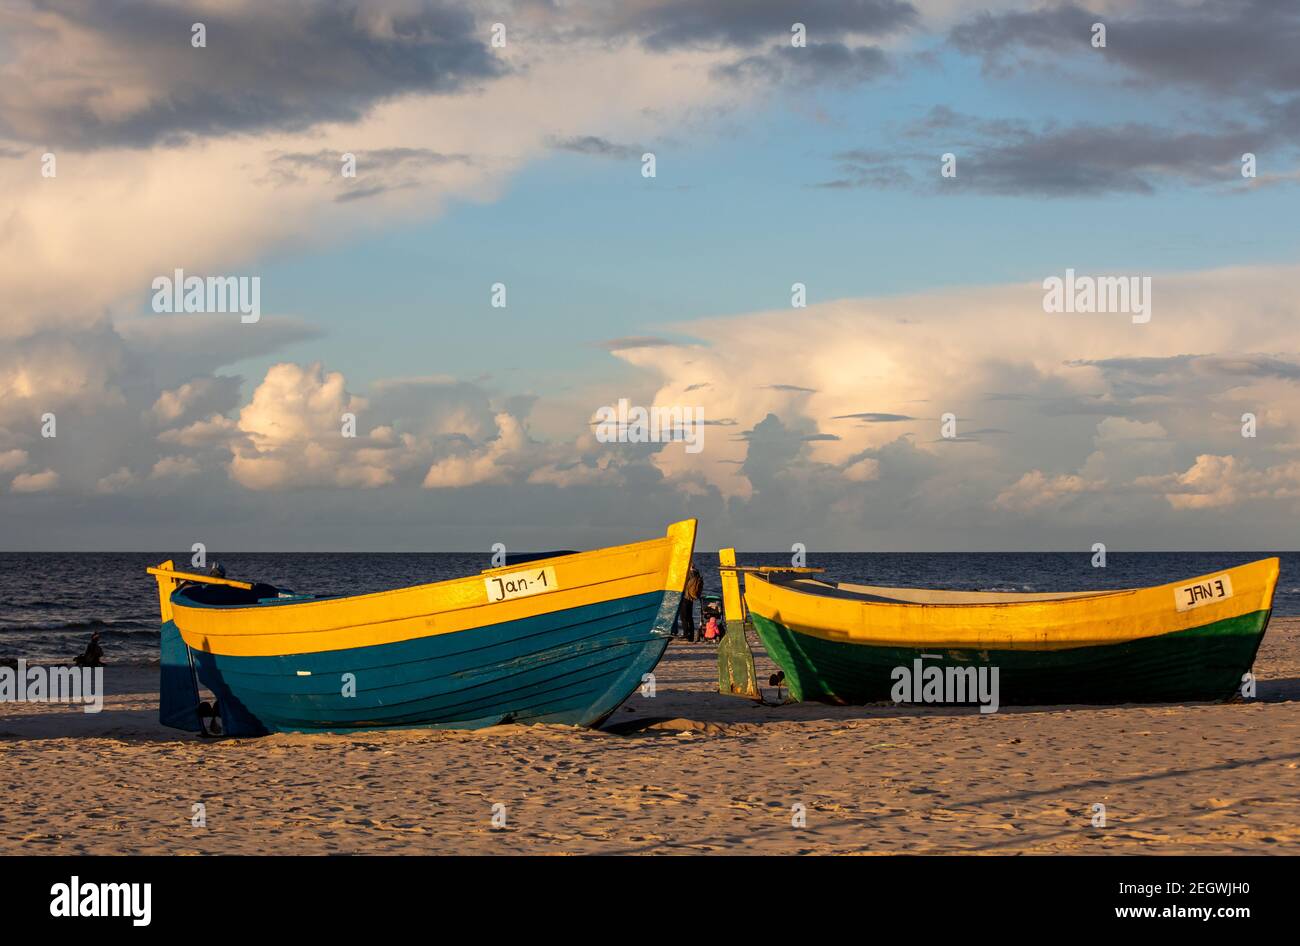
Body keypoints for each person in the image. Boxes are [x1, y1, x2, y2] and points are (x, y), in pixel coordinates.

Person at [678, 562, 704, 642]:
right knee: (689, 617)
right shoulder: (697, 574)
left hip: (686, 597)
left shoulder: (689, 574)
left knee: (683, 616)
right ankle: (691, 635)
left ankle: (686, 634)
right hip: (691, 598)